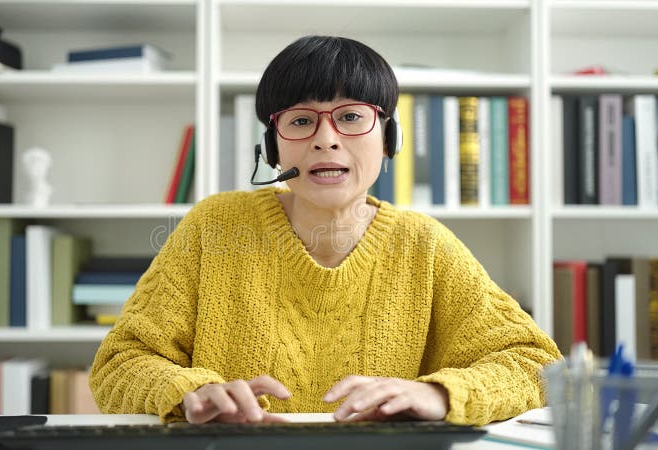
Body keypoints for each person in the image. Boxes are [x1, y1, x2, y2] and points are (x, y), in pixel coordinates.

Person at [89, 35, 561, 426]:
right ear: (273, 148)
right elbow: (119, 365)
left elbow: (537, 367)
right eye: (300, 120)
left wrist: (439, 394)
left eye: (352, 117)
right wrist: (193, 392)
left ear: (388, 137)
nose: (326, 138)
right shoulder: (215, 226)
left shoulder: (424, 244)